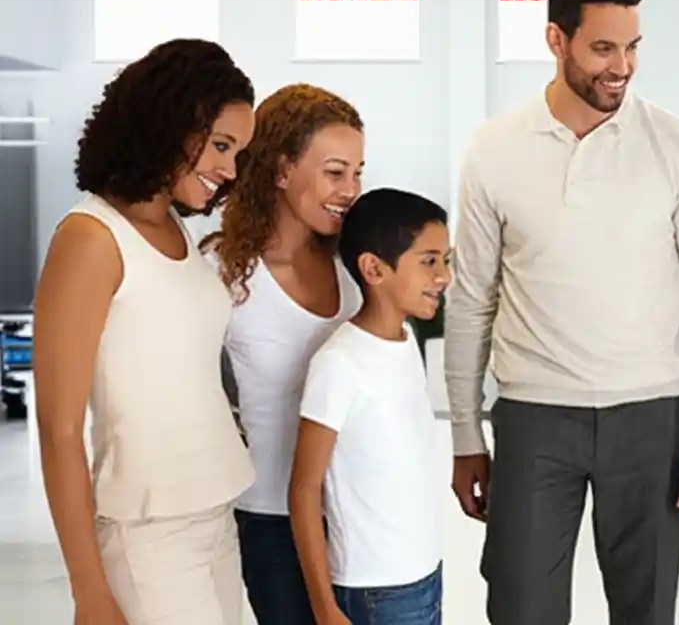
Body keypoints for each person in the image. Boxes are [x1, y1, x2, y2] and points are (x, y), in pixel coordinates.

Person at [445, 0, 679, 625]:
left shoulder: (675, 145)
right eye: (603, 47)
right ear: (557, 40)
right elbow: (471, 299)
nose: (623, 66)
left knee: (645, 612)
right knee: (522, 609)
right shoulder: (494, 150)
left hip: (653, 416)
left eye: (633, 46)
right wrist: (466, 434)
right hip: (533, 418)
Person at [33, 38, 257, 625]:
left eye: (238, 152)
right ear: (170, 125)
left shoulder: (179, 231)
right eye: (221, 146)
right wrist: (89, 592)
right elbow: (58, 429)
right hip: (147, 537)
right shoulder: (90, 238)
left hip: (214, 512)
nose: (229, 170)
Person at [200, 83, 366, 624]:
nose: (350, 189)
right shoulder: (223, 272)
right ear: (280, 170)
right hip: (271, 519)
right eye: (335, 172)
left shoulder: (358, 267)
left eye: (357, 173)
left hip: (358, 511)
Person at [289, 188, 450, 625]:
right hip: (375, 591)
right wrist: (325, 609)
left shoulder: (405, 339)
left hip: (424, 574)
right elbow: (304, 491)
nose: (444, 277)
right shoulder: (339, 364)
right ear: (374, 269)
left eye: (446, 261)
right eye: (429, 260)